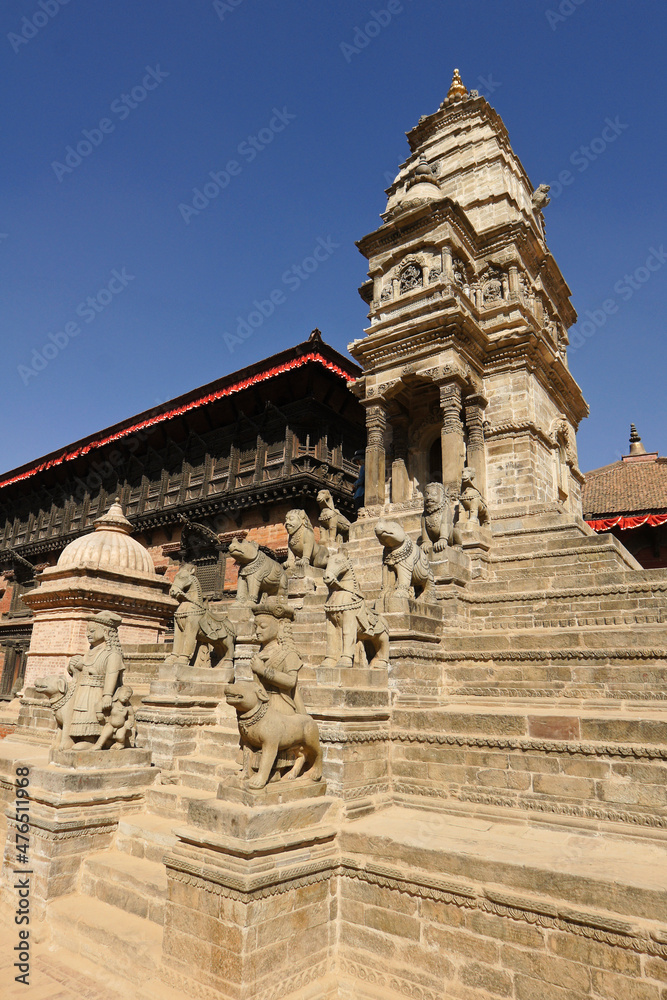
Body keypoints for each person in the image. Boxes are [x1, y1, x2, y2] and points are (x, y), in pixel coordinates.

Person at [68, 611, 124, 746]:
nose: (88, 634)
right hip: (84, 691)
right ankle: (81, 738)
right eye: (87, 631)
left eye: (92, 631)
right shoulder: (91, 652)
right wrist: (75, 665)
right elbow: (85, 669)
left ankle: (92, 739)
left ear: (105, 632)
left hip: (97, 692)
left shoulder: (112, 654)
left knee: (92, 717)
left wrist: (107, 695)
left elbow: (112, 675)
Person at [250, 597, 304, 715]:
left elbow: (290, 681)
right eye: (255, 627)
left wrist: (262, 670)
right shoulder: (262, 653)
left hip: (281, 707)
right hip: (261, 705)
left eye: (263, 626)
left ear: (280, 625)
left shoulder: (288, 652)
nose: (257, 631)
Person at [93, 685, 135, 750]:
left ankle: (121, 744)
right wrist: (99, 713)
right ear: (118, 694)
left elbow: (131, 715)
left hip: (122, 726)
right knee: (105, 734)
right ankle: (98, 745)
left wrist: (129, 722)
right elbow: (100, 705)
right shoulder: (113, 704)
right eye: (124, 695)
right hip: (111, 725)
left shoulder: (128, 707)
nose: (126, 697)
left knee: (120, 736)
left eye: (128, 697)